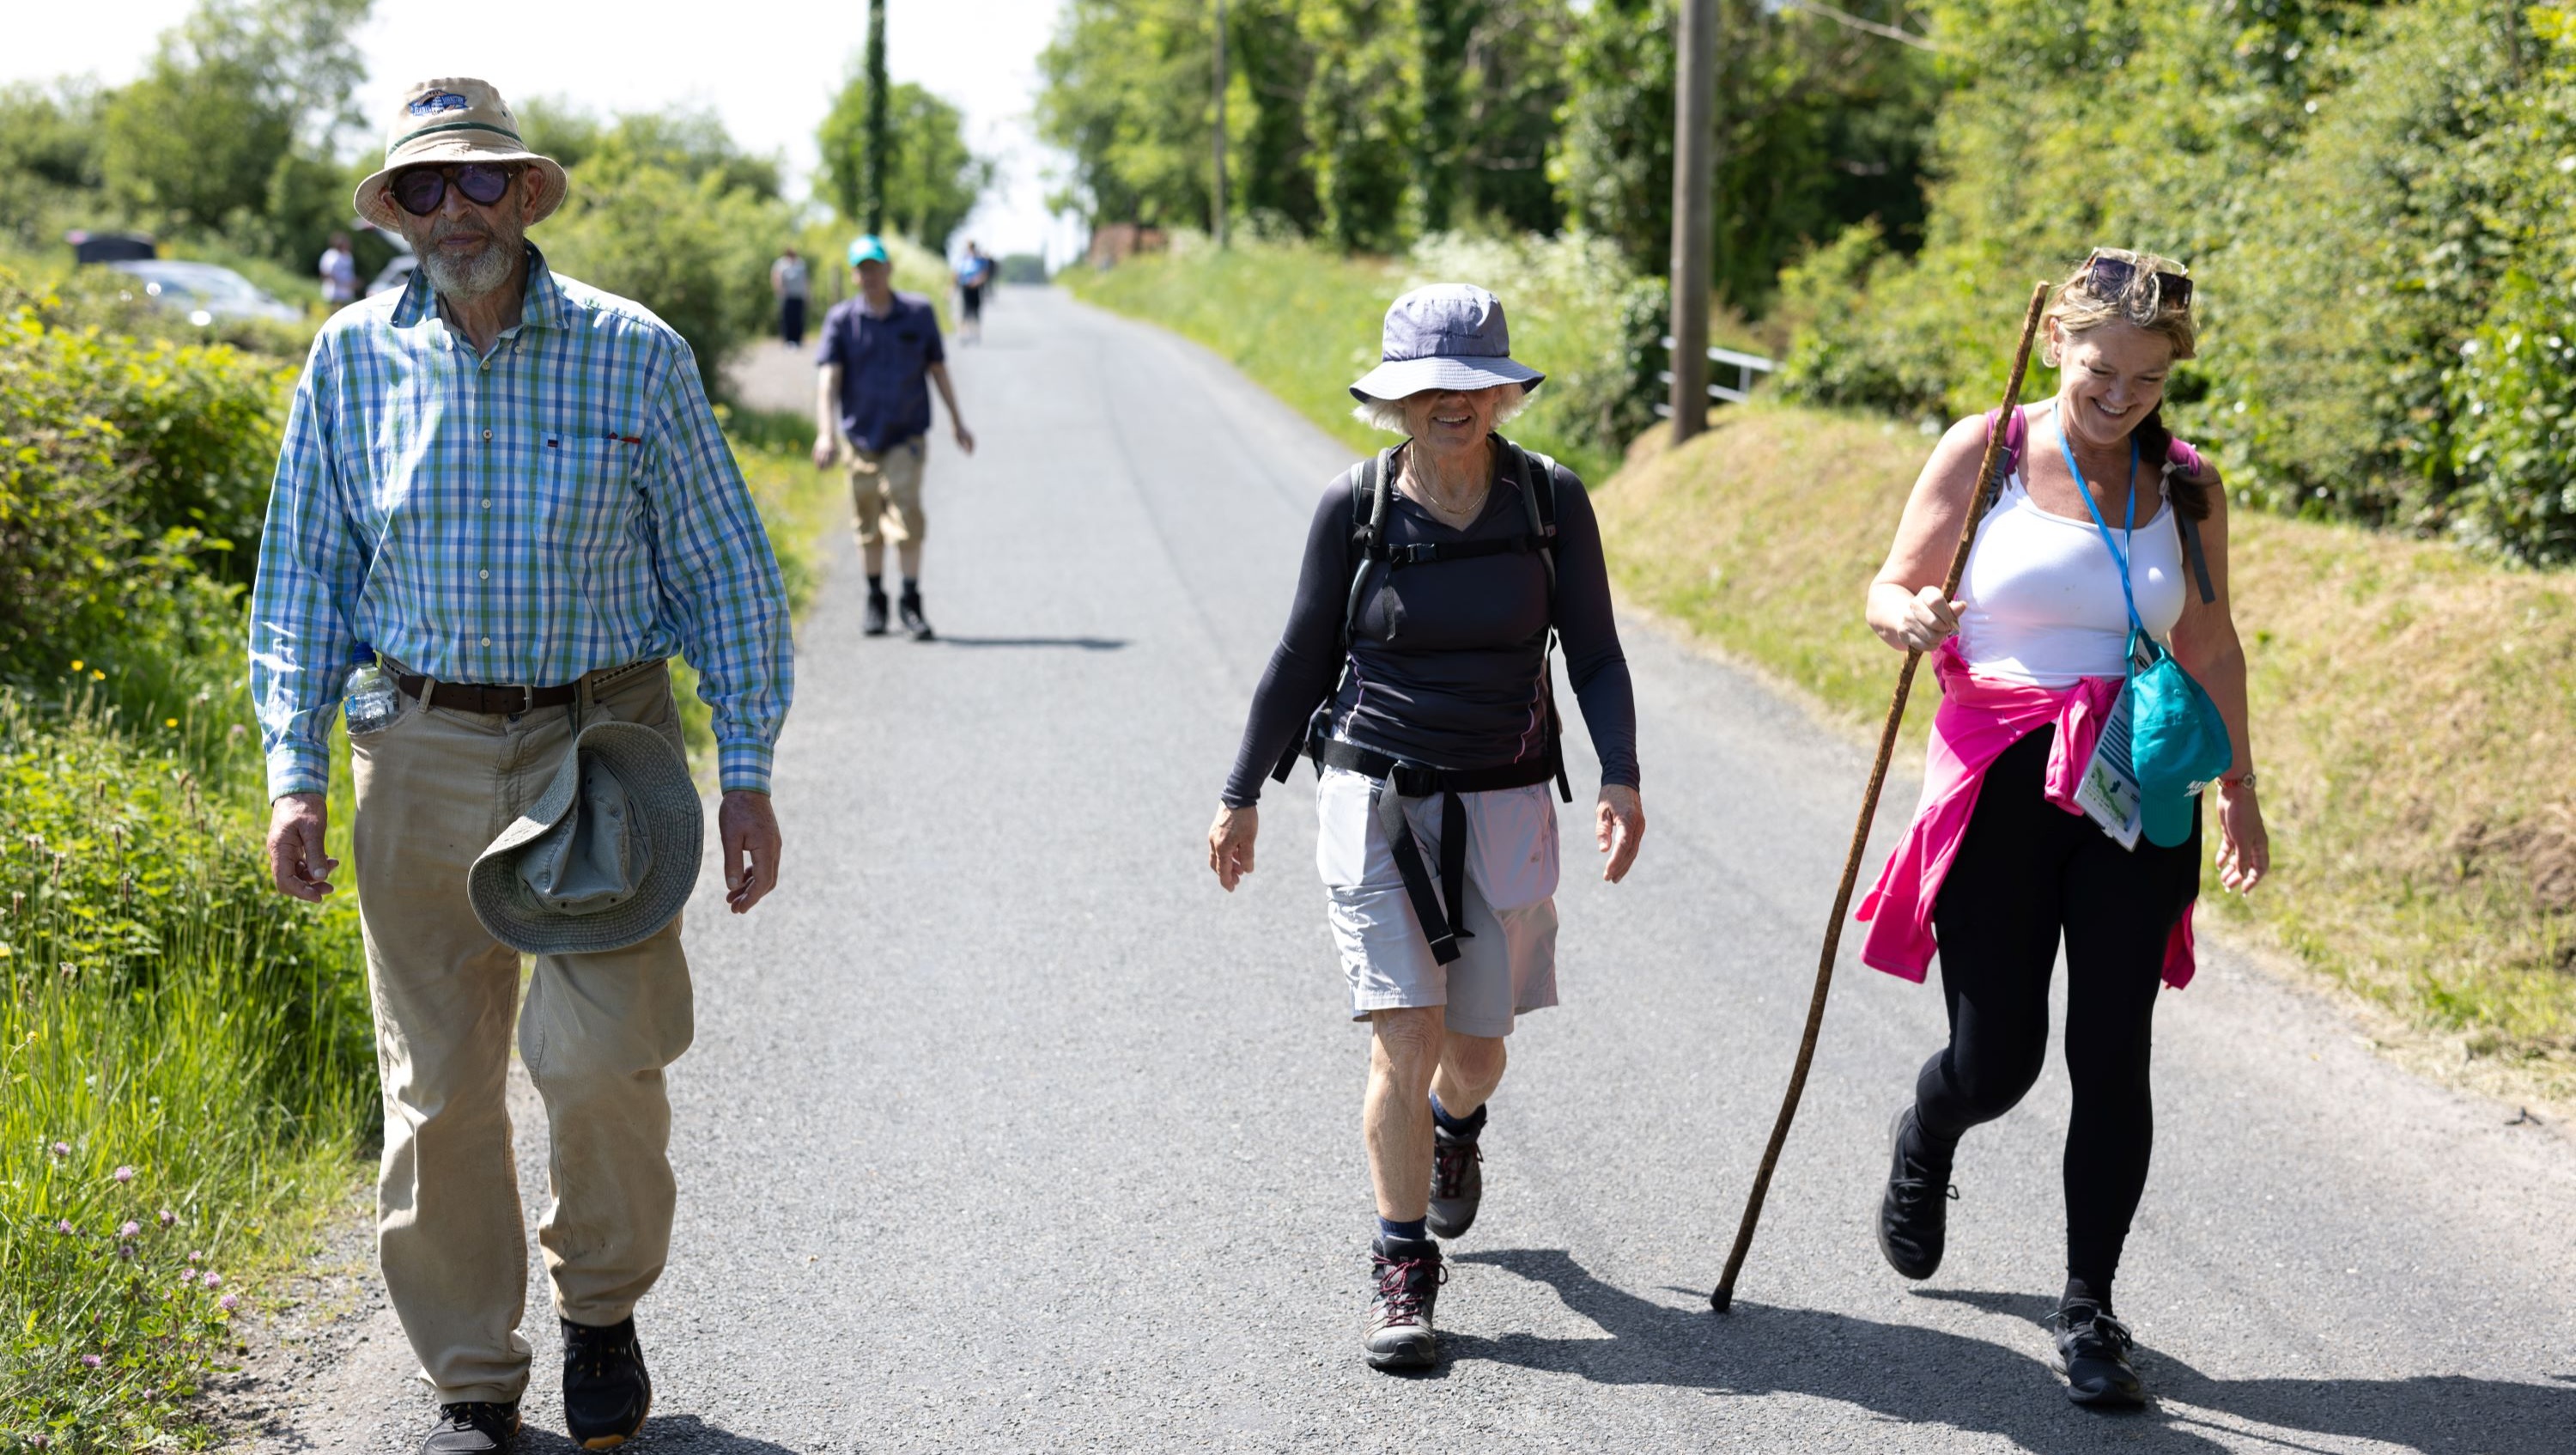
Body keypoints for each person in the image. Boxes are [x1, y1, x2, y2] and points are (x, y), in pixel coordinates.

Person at [250, 77, 795, 1455]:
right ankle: (473, 1382)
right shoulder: (348, 362)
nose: (456, 210)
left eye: (480, 180)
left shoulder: (634, 353)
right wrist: (292, 768)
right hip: (417, 750)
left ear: (527, 194)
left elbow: (726, 571)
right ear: (396, 212)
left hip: (599, 750)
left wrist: (746, 770)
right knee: (438, 1086)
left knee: (601, 1056)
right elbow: (303, 576)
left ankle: (600, 1311)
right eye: (423, 187)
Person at [1854, 249, 2269, 1409]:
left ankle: (2090, 1309)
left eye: (2148, 376)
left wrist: (2240, 787)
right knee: (1999, 1059)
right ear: (2056, 345)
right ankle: (1930, 1128)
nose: (2121, 394)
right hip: (2001, 776)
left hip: (2136, 779)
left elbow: (2211, 643)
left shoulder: (2187, 483)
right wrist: (1908, 612)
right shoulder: (1985, 448)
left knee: (2112, 1048)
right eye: (2101, 369)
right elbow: (1889, 584)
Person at [1206, 284, 1645, 1370]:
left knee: (1476, 1051)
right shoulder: (1355, 506)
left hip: (1505, 794)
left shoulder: (1550, 500)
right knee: (1407, 1029)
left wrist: (1621, 775)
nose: (1454, 401)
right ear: (1396, 400)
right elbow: (1300, 656)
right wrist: (1242, 790)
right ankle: (1402, 1265)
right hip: (1376, 795)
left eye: (1474, 383)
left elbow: (1594, 652)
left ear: (1503, 393)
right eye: (1430, 386)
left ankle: (1457, 1129)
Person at [811, 234, 976, 640]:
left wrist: (957, 421)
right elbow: (828, 380)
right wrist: (826, 433)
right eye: (862, 269)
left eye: (875, 267)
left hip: (906, 436)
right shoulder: (842, 320)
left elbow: (938, 369)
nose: (869, 275)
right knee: (867, 521)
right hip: (861, 439)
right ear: (854, 275)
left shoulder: (918, 314)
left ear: (888, 269)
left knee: (907, 516)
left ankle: (911, 601)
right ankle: (875, 600)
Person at [953, 240, 992, 344]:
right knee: (965, 311)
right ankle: (964, 333)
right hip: (965, 286)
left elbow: (984, 273)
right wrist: (953, 288)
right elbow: (957, 273)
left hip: (976, 287)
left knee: (976, 310)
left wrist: (977, 281)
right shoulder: (963, 259)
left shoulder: (980, 260)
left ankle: (976, 333)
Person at [771, 245, 809, 346]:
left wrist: (807, 294)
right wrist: (779, 291)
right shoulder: (781, 264)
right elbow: (776, 277)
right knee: (787, 319)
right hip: (787, 296)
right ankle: (787, 340)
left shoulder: (801, 264)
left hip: (799, 296)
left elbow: (805, 280)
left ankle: (798, 340)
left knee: (798, 319)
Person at [319, 230, 359, 306]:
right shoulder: (331, 255)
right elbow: (325, 274)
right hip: (333, 293)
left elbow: (349, 274)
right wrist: (343, 283)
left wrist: (354, 283)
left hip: (347, 295)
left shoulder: (348, 256)